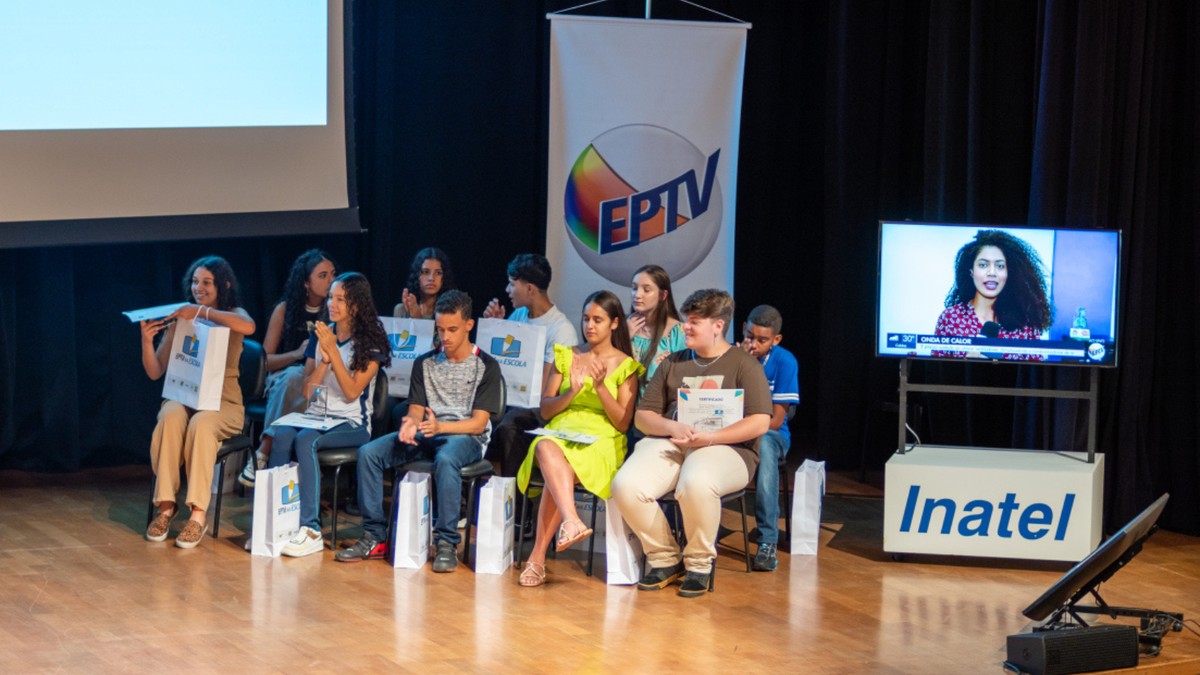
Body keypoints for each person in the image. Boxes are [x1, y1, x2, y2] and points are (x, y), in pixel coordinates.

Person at [611, 289, 772, 598]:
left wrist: (710, 437)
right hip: (674, 441)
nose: (685, 327)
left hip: (727, 448)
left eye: (694, 321)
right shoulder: (674, 361)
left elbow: (760, 421)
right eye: (686, 320)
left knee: (695, 482)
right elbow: (643, 416)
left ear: (718, 326)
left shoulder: (743, 364)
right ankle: (665, 558)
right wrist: (674, 426)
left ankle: (699, 563)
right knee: (626, 485)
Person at [336, 290, 504, 572]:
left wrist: (441, 426)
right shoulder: (424, 362)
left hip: (466, 437)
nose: (446, 337)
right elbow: (415, 408)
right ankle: (375, 535)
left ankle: (447, 543)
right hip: (428, 431)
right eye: (440, 329)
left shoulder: (486, 365)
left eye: (452, 329)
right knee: (369, 453)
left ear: (469, 325)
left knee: (447, 459)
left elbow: (478, 423)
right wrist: (411, 423)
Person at [515, 291, 643, 587]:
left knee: (554, 474)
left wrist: (599, 388)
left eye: (598, 320)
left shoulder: (626, 366)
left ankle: (537, 559)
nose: (590, 326)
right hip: (562, 430)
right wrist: (571, 392)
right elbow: (545, 410)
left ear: (614, 324)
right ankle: (571, 521)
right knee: (546, 445)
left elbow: (623, 423)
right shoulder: (567, 355)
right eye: (586, 319)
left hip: (602, 438)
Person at [263, 272, 390, 558]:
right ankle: (277, 522)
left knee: (306, 440)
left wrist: (333, 351)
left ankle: (310, 528)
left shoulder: (371, 343)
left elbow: (351, 392)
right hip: (318, 416)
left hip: (352, 423)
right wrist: (324, 360)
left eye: (340, 299)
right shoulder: (320, 336)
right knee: (281, 434)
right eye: (331, 297)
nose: (332, 303)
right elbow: (308, 391)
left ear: (356, 305)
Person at [140, 256, 256, 548]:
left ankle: (198, 514)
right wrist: (145, 341)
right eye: (194, 282)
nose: (198, 288)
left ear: (223, 284)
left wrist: (202, 311)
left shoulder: (233, 313)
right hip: (186, 397)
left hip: (223, 404)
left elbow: (249, 327)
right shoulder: (182, 319)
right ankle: (166, 507)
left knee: (202, 424)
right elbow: (155, 372)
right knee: (170, 415)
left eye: (206, 282)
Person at [239, 249, 337, 487]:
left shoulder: (336, 310)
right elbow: (266, 361)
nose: (331, 281)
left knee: (309, 383)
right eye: (322, 276)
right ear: (305, 282)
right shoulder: (285, 309)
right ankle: (287, 460)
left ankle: (265, 449)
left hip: (323, 379)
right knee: (295, 376)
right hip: (284, 379)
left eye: (333, 275)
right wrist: (297, 353)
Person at [482, 253, 580, 478]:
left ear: (530, 289)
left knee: (508, 426)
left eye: (512, 283)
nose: (507, 290)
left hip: (541, 409)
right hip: (510, 400)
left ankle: (511, 499)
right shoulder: (519, 315)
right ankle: (473, 493)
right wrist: (497, 326)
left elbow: (545, 390)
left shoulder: (560, 330)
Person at [739, 305, 800, 572]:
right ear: (743, 329)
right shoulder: (732, 355)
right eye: (750, 336)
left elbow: (775, 420)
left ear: (776, 339)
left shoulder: (785, 361)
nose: (753, 344)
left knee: (763, 446)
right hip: (733, 431)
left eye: (762, 340)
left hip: (772, 435)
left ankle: (767, 541)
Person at [934, 230, 1053, 360]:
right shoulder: (950, 318)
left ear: (1009, 273)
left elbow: (1034, 375)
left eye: (1000, 266)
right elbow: (936, 371)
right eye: (983, 265)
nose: (992, 272)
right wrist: (965, 366)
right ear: (971, 272)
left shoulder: (1025, 322)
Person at [628, 264, 687, 387]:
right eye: (634, 288)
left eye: (646, 290)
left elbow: (683, 379)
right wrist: (624, 338)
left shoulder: (678, 332)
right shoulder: (624, 327)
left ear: (663, 295)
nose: (637, 295)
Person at [393, 247, 456, 319]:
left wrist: (418, 319)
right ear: (416, 275)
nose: (431, 278)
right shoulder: (401, 310)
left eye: (438, 273)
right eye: (425, 272)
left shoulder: (449, 312)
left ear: (445, 277)